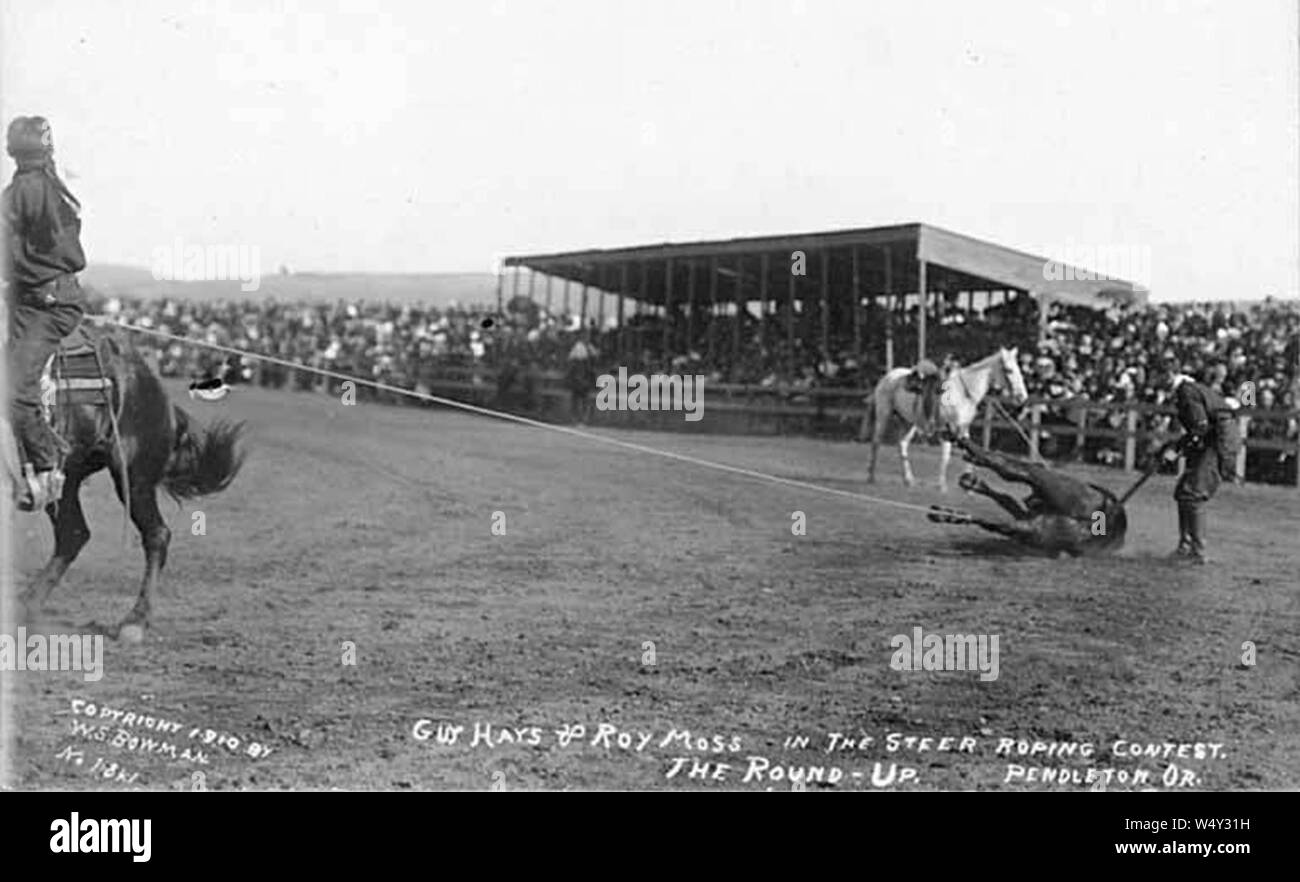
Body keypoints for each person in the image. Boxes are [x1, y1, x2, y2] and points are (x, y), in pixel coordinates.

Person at [3, 116, 87, 511]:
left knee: (15, 391)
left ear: (13, 151)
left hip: (43, 306)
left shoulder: (24, 191)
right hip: (49, 299)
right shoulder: (55, 188)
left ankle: (47, 466)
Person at [1165, 367, 1230, 563]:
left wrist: (1177, 450)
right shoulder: (1187, 391)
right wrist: (1177, 448)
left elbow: (1199, 426)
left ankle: (1198, 552)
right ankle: (1185, 546)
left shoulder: (1186, 390)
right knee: (1183, 492)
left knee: (1193, 494)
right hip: (1211, 439)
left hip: (1218, 440)